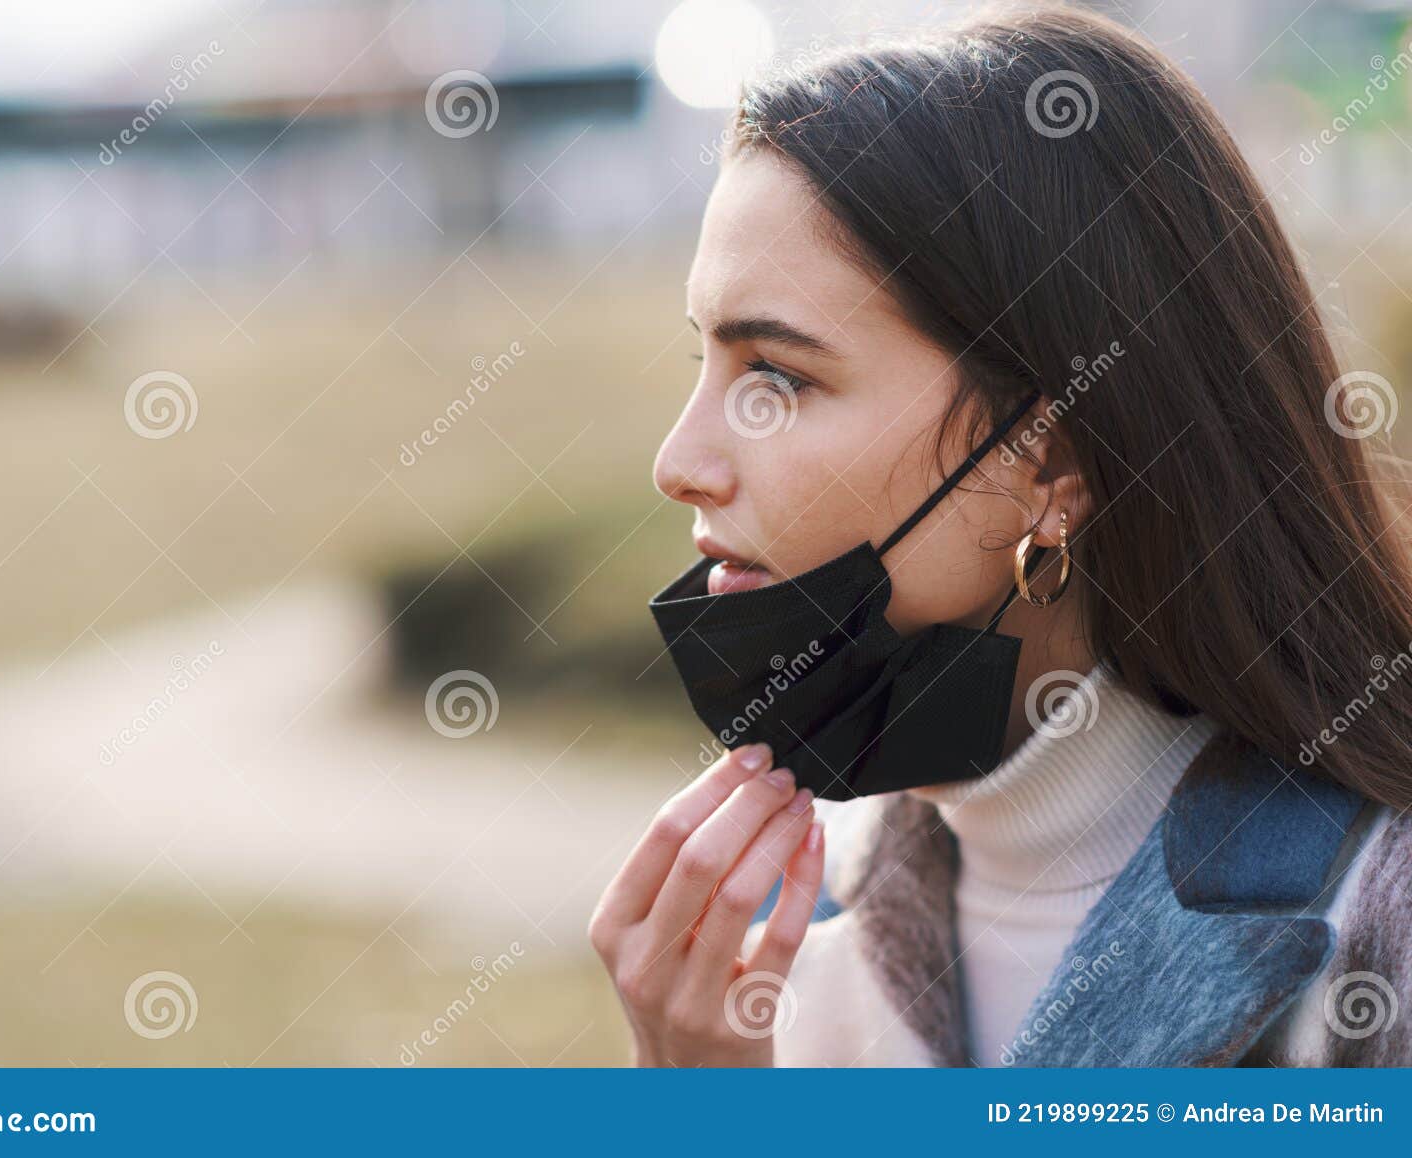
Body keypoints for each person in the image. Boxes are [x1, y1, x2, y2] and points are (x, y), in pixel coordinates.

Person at [590, 3, 1412, 1067]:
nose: (677, 462)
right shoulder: (780, 936)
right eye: (701, 361)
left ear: (1050, 465)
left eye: (776, 378)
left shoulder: (1375, 931)